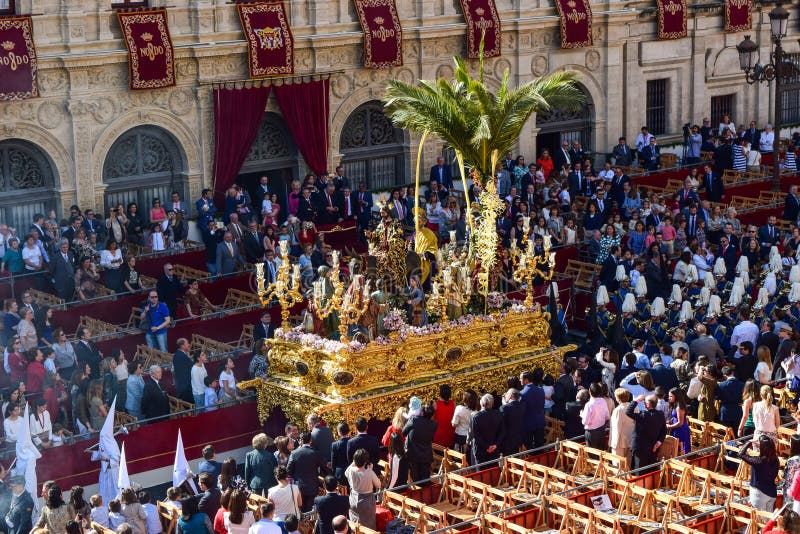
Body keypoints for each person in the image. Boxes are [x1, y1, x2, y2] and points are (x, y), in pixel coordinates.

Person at [626, 394, 667, 471]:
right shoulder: (660, 414)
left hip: (640, 448)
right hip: (653, 448)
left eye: (644, 402)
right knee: (650, 470)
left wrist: (637, 400)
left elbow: (628, 412)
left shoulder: (643, 414)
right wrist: (658, 443)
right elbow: (664, 430)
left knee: (639, 471)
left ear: (648, 405)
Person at [740, 435, 780, 512]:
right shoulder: (775, 460)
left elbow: (741, 454)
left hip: (759, 493)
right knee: (769, 518)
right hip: (771, 492)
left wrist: (749, 442)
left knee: (760, 520)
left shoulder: (758, 461)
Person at [287, 432, 325, 512]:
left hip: (299, 486)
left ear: (300, 440)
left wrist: (296, 476)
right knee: (310, 511)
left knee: (300, 510)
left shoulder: (294, 453)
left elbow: (289, 470)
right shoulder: (315, 453)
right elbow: (324, 467)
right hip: (313, 486)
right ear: (310, 440)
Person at [344, 449, 381, 530]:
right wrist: (370, 469)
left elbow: (346, 473)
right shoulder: (369, 472)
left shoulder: (350, 470)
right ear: (365, 461)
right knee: (369, 526)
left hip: (353, 499)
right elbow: (378, 485)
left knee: (355, 524)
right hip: (367, 502)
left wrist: (354, 461)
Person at [402, 402, 437, 483]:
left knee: (416, 479)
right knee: (426, 479)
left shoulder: (414, 420)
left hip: (414, 455)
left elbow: (404, 432)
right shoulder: (434, 424)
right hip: (426, 455)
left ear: (422, 412)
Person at [470, 393, 505, 465]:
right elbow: (502, 432)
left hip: (481, 451)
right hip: (495, 449)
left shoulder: (476, 417)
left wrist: (487, 447)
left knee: (481, 473)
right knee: (494, 470)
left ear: (481, 404)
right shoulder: (499, 414)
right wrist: (495, 445)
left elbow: (476, 435)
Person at [581, 382, 610, 449]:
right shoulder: (603, 401)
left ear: (590, 392)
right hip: (602, 430)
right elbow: (607, 416)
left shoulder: (589, 405)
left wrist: (582, 415)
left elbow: (585, 422)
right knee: (601, 453)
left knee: (593, 455)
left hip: (592, 433)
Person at [609, 388, 634, 465]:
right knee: (628, 465)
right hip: (631, 440)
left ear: (618, 398)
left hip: (619, 443)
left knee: (618, 466)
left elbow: (616, 428)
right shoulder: (634, 407)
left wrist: (613, 444)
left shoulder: (618, 410)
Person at [666, 388, 690, 455]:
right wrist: (670, 421)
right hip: (677, 429)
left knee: (680, 450)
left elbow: (680, 422)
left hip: (681, 430)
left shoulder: (679, 407)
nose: (669, 398)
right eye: (669, 396)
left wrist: (669, 426)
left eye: (671, 396)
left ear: (676, 396)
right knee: (676, 449)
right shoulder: (675, 404)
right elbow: (675, 417)